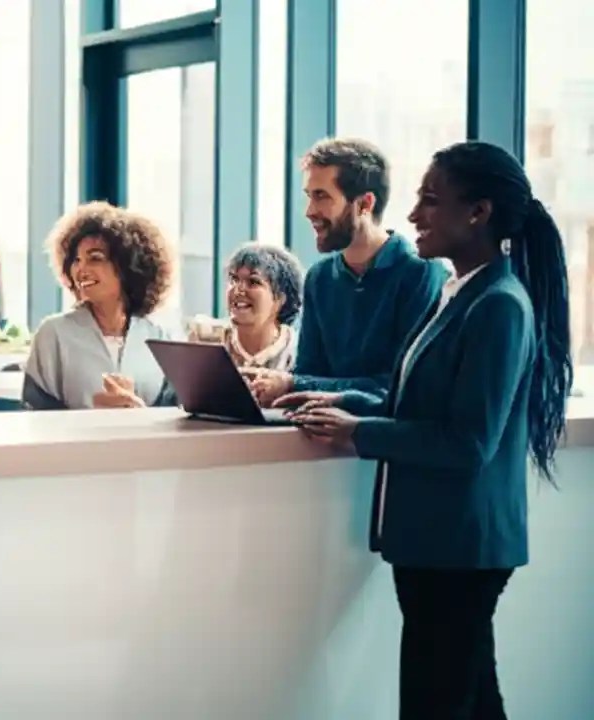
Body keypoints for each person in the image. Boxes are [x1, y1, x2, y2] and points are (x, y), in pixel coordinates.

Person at [281, 141, 571, 719]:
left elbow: (467, 442)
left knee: (433, 704)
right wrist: (341, 400)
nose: (413, 214)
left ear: (478, 213)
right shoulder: (460, 291)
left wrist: (358, 434)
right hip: (438, 545)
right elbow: (417, 401)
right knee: (474, 702)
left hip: (460, 548)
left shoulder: (499, 305)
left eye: (430, 200)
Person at [244, 138, 447, 406]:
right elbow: (308, 372)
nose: (309, 211)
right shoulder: (319, 277)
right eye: (309, 196)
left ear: (364, 204)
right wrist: (271, 386)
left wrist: (294, 385)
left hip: (378, 443)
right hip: (318, 437)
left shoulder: (421, 273)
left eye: (322, 196)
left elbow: (399, 386)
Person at [24, 201, 176, 410]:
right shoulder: (54, 334)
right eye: (76, 260)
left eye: (95, 258)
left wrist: (139, 414)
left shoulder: (159, 337)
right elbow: (35, 416)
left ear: (127, 266)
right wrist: (91, 420)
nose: (81, 269)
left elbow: (173, 420)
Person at [189, 243, 303, 371]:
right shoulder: (205, 341)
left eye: (253, 282)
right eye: (234, 279)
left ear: (280, 299)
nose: (238, 290)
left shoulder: (299, 354)